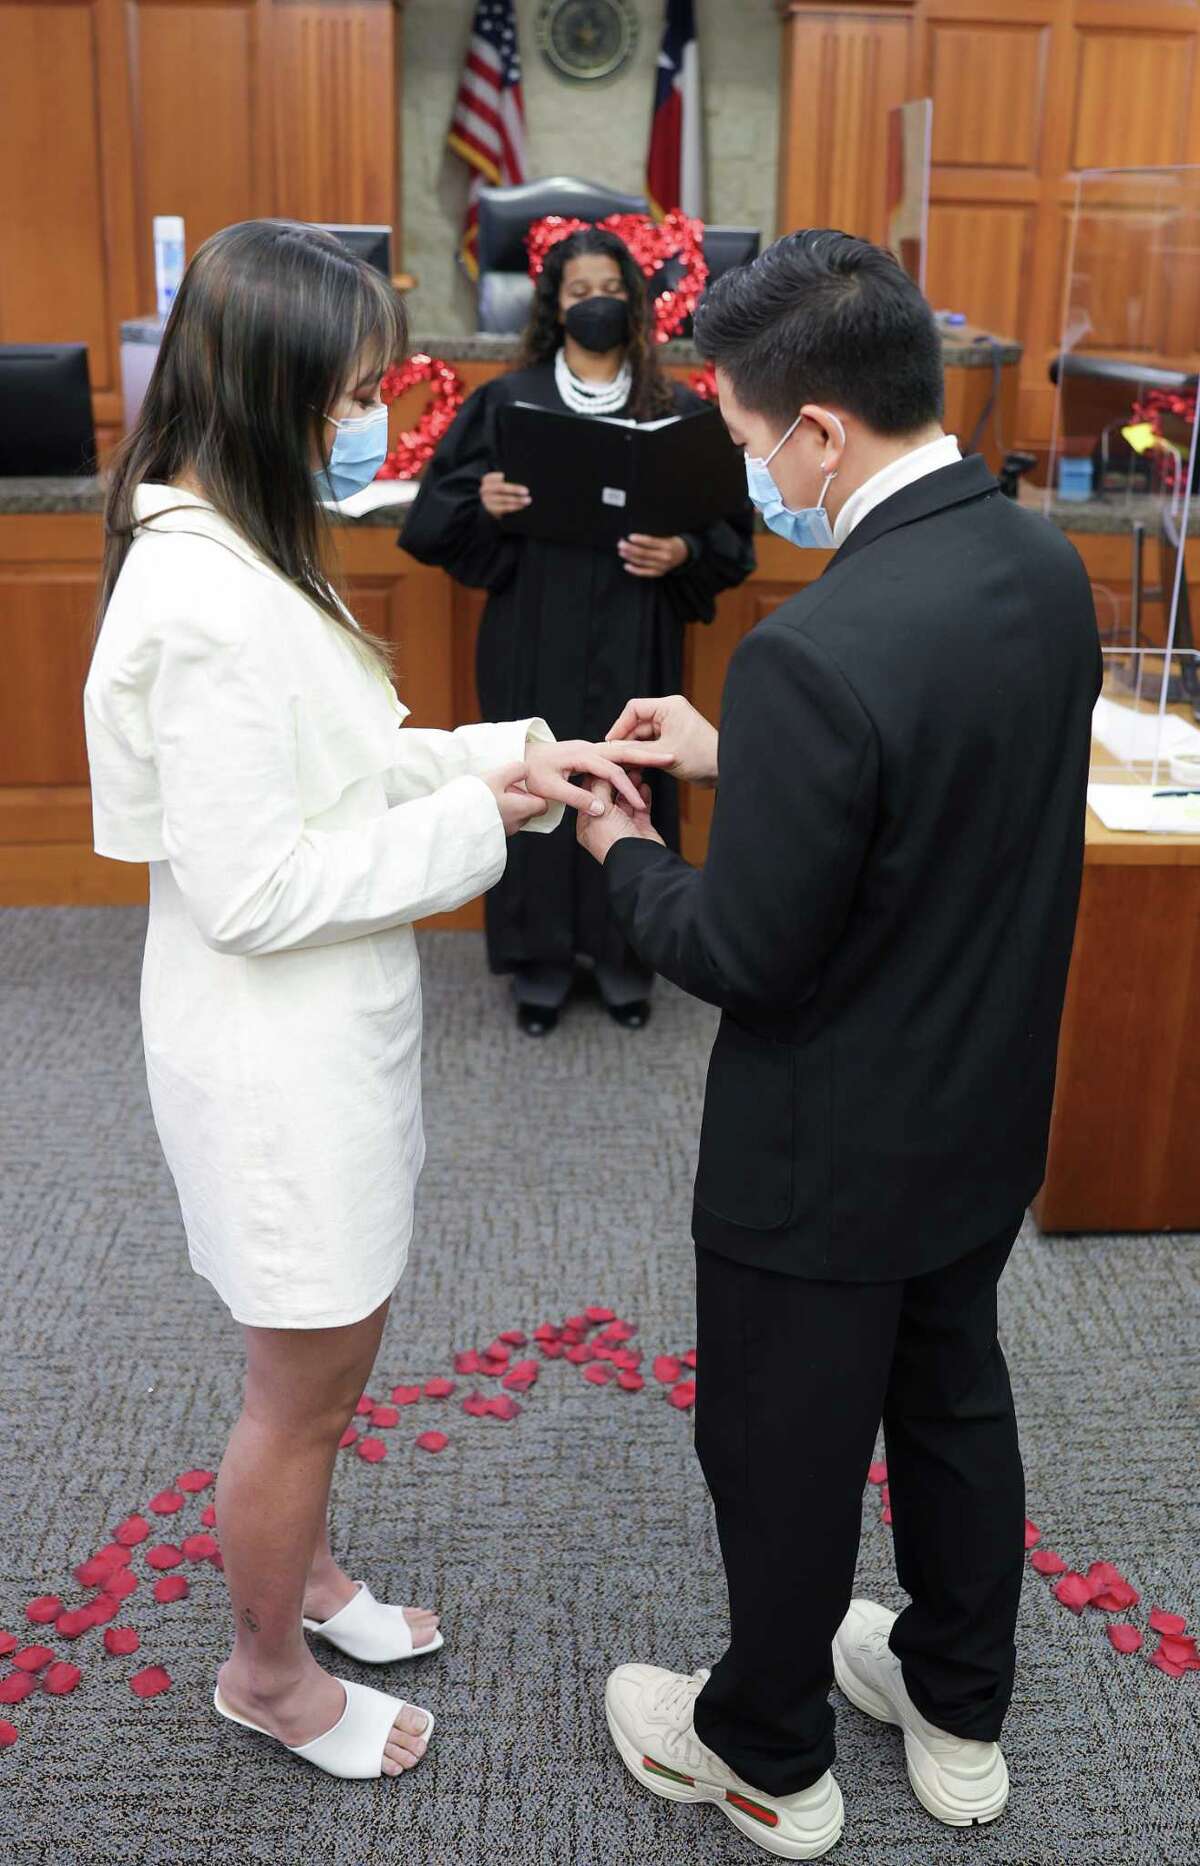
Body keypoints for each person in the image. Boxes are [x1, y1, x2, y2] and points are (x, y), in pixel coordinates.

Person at [83, 219, 653, 1786]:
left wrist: (507, 755)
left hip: (324, 1029)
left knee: (329, 1365)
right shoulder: (200, 601)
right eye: (348, 392)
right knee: (301, 1387)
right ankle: (264, 1668)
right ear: (272, 392)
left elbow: (346, 762)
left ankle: (310, 1581)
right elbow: (258, 882)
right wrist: (493, 821)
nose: (373, 423)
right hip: (272, 1049)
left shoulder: (244, 550)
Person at [578, 229, 1102, 1857]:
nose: (751, 469)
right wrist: (759, 756)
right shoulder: (1038, 565)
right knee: (953, 1401)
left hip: (821, 1158)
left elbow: (741, 949)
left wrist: (624, 850)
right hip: (981, 1112)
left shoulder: (821, 646)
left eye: (742, 436)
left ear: (817, 430)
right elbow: (946, 793)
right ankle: (958, 1709)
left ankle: (768, 1754)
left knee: (782, 1448)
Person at [401, 225, 755, 1036]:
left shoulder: (679, 411)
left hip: (638, 630)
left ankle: (632, 958)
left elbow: (731, 534)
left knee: (630, 781)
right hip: (533, 629)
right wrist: (482, 503)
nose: (596, 302)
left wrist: (685, 549)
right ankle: (541, 963)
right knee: (533, 784)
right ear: (553, 308)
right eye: (578, 291)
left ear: (635, 303)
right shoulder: (508, 400)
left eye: (610, 289)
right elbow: (434, 521)